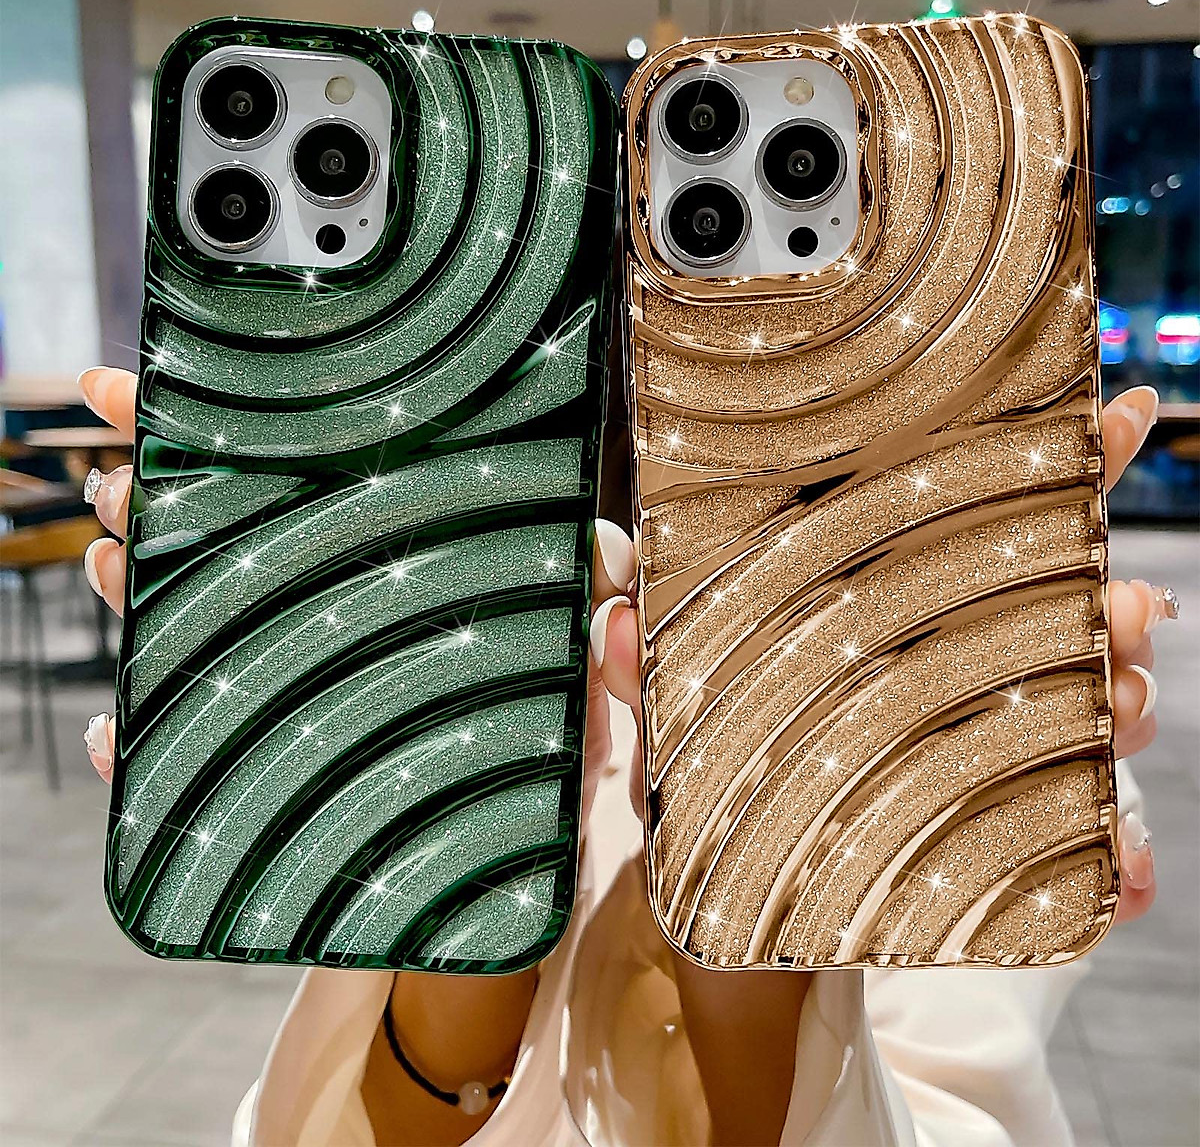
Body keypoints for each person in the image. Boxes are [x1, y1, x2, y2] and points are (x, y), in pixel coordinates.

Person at [77, 365, 1171, 1147]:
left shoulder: (957, 691)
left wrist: (756, 910)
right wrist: (450, 870)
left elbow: (959, 1102)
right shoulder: (447, 590)